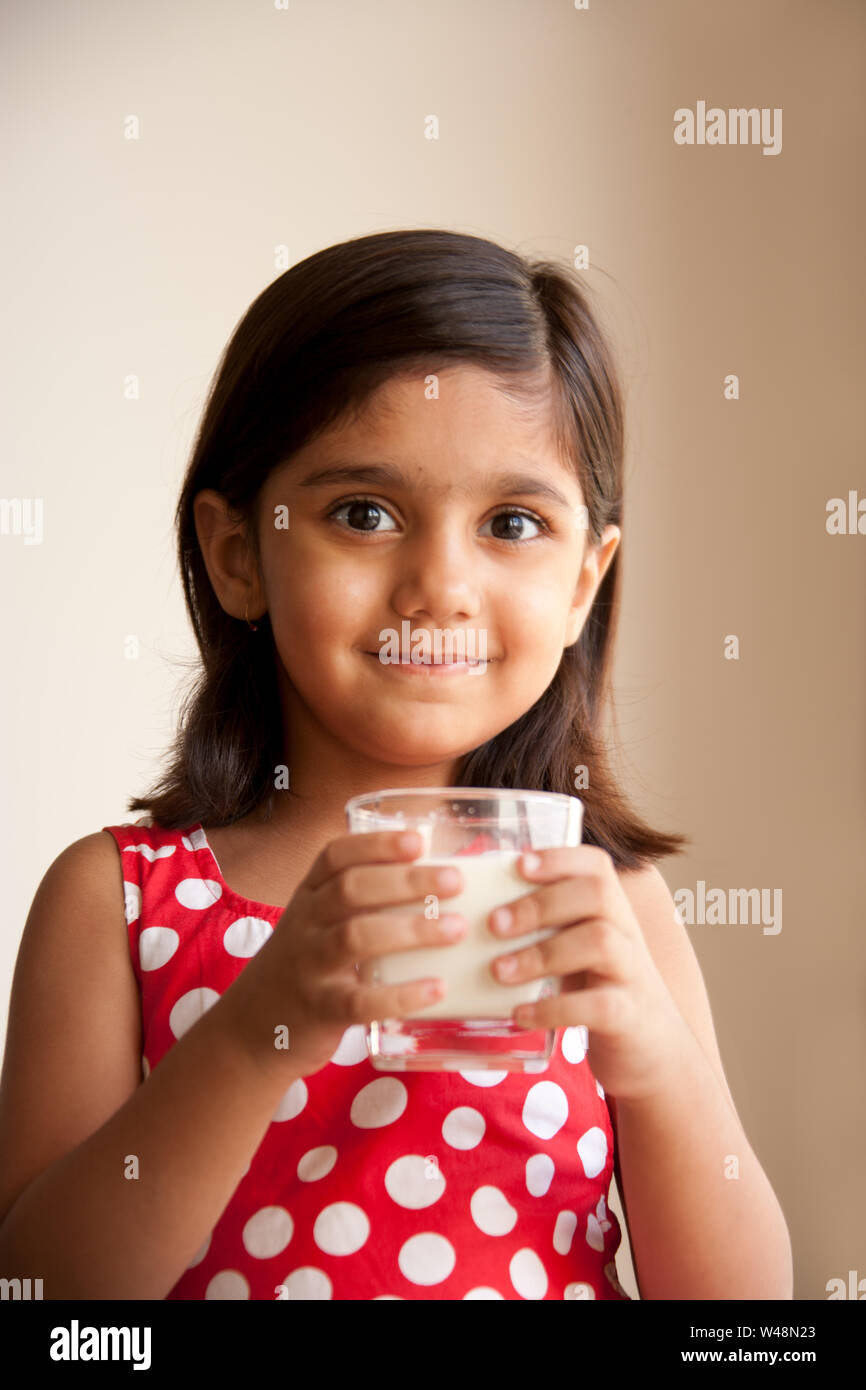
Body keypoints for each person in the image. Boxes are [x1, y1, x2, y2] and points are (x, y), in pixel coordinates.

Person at [0, 229, 793, 1300]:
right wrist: (255, 1030)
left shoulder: (610, 910)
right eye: (363, 514)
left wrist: (652, 1062)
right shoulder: (118, 902)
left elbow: (743, 1316)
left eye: (511, 522)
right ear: (238, 553)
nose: (439, 584)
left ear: (581, 585)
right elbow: (48, 1306)